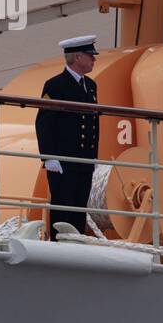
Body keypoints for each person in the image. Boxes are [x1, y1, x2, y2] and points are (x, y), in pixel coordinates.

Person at [35, 35, 101, 240]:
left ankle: (76, 244)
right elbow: (44, 122)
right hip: (63, 160)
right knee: (63, 206)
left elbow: (92, 124)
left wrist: (92, 157)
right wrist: (48, 157)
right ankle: (59, 244)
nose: (94, 60)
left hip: (84, 159)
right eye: (90, 56)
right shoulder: (55, 85)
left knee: (79, 207)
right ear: (78, 57)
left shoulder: (90, 86)